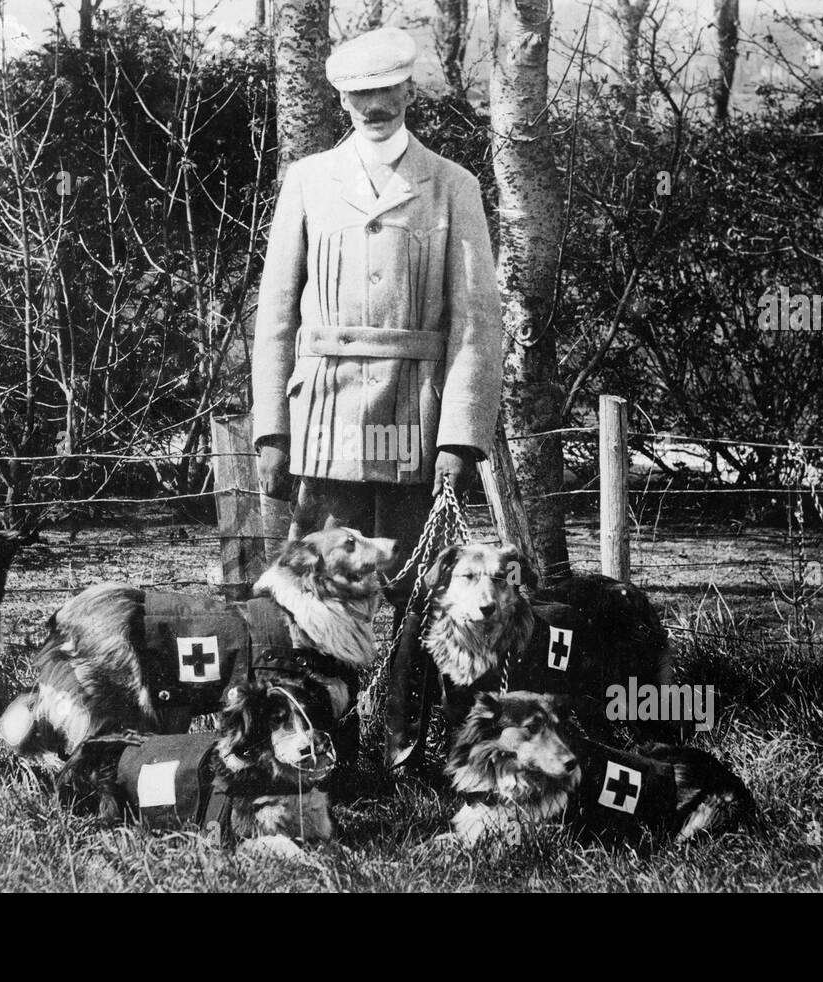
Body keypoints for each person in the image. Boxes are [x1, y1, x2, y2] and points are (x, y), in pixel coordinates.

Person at [250, 26, 502, 766]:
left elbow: (478, 324)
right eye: (357, 96)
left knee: (416, 592)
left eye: (385, 92)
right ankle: (314, 745)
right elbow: (275, 316)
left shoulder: (454, 185)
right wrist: (273, 428)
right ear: (342, 100)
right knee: (313, 593)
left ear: (409, 92)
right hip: (324, 420)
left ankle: (404, 745)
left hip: (414, 423)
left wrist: (459, 438)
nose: (372, 107)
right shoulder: (307, 179)